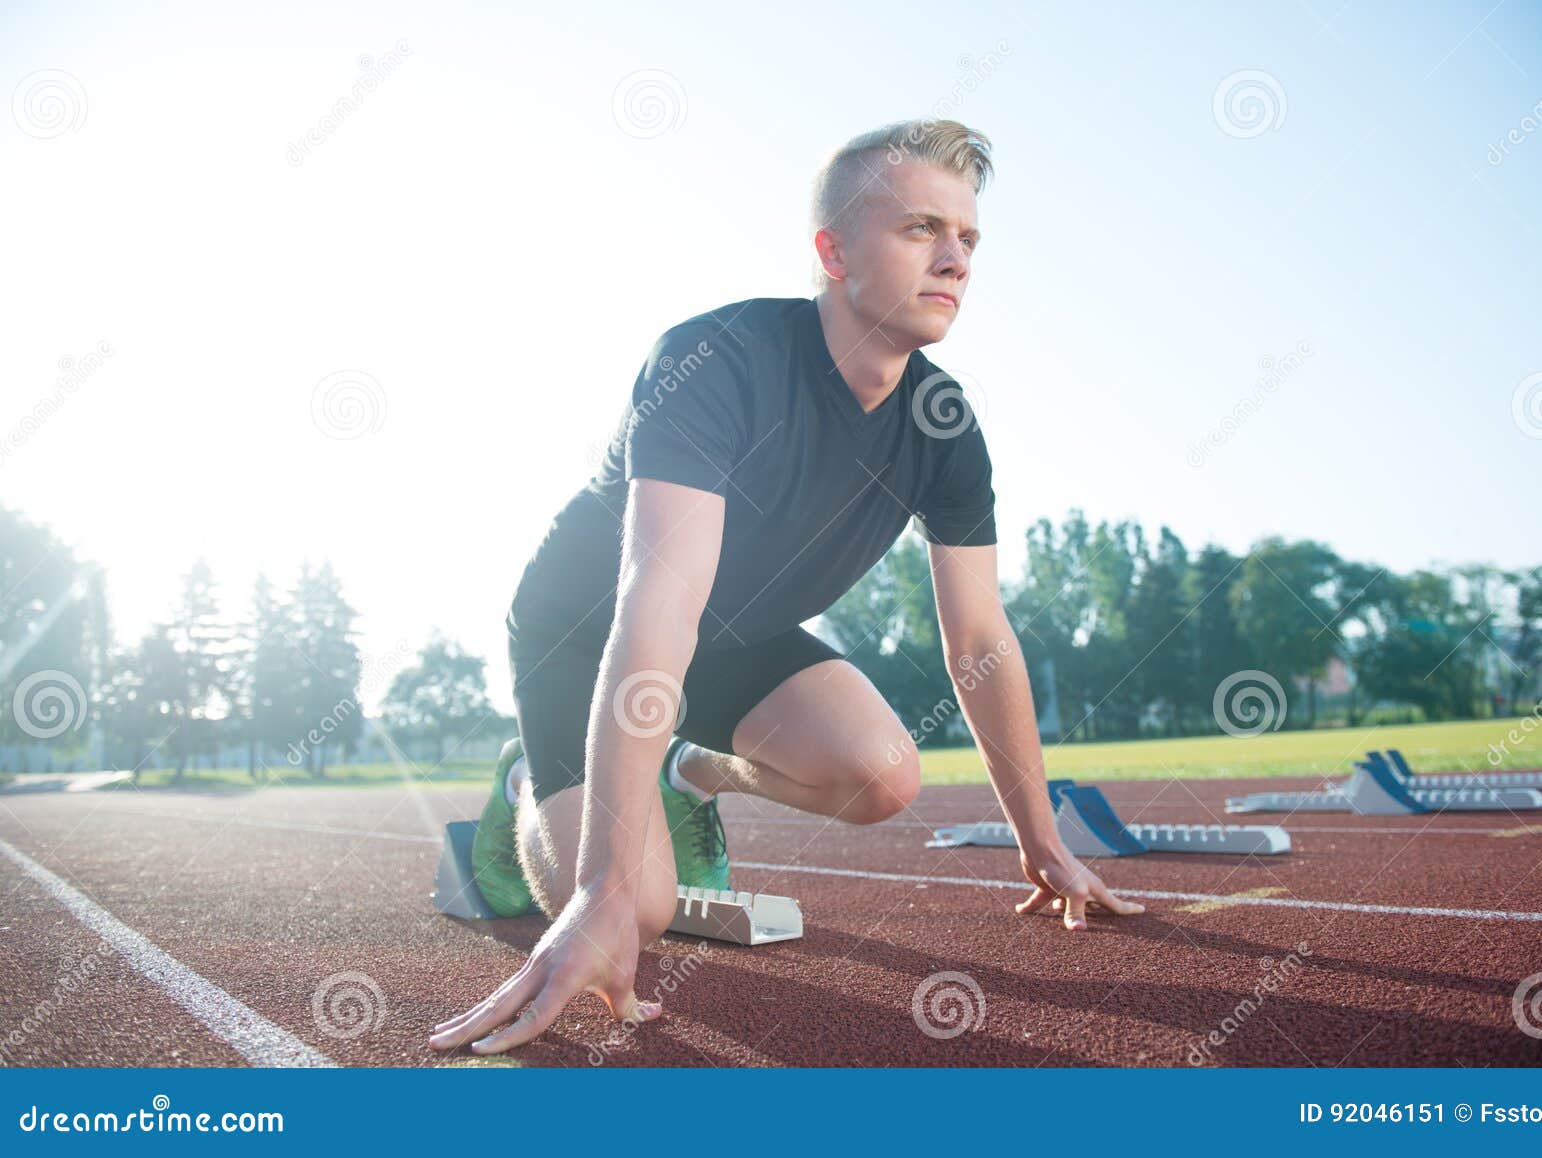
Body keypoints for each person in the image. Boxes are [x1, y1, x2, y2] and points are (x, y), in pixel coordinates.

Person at [429, 118, 1143, 1057]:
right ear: (833, 250)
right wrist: (600, 888)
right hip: (591, 629)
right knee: (636, 913)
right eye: (921, 229)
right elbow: (657, 602)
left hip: (737, 635)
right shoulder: (716, 361)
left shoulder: (943, 424)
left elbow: (979, 640)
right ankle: (531, 782)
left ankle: (686, 770)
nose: (955, 258)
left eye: (968, 238)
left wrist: (1043, 841)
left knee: (886, 774)